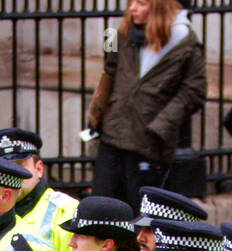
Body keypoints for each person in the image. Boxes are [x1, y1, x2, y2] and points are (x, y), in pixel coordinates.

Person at [86, 0, 207, 212]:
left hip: (148, 143)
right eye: (131, 2)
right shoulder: (119, 34)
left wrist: (160, 126)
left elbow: (194, 91)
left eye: (141, 3)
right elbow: (109, 74)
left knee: (142, 219)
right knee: (101, 213)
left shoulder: (185, 42)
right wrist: (96, 114)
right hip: (113, 136)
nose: (132, 8)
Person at [0, 128, 79, 251]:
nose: (12, 175)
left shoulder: (64, 212)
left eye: (20, 167)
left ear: (39, 169)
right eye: (4, 168)